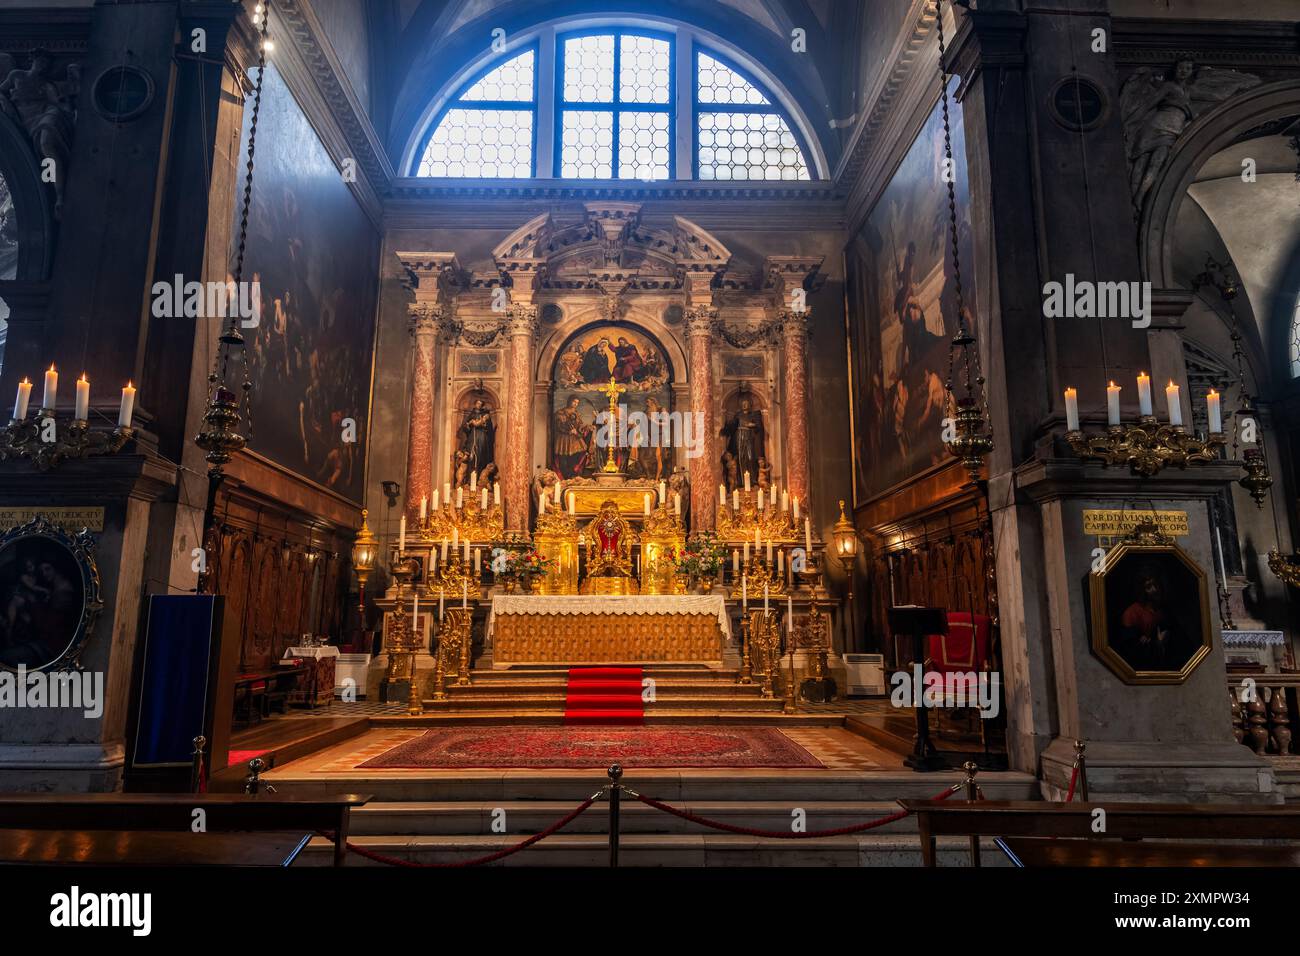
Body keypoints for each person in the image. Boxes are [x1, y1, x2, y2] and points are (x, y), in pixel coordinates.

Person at [720, 397, 765, 491]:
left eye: (747, 403)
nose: (745, 405)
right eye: (743, 403)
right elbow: (733, 426)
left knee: (750, 458)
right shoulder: (738, 415)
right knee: (740, 459)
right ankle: (740, 482)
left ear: (750, 405)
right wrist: (726, 428)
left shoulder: (753, 415)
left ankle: (752, 481)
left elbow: (758, 426)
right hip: (739, 438)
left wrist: (752, 425)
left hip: (749, 438)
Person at [552, 397, 591, 478]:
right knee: (564, 458)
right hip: (564, 439)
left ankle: (573, 472)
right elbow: (558, 425)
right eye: (574, 402)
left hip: (574, 438)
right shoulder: (561, 412)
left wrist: (585, 428)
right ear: (569, 401)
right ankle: (566, 475)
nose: (575, 404)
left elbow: (579, 425)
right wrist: (568, 430)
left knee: (577, 455)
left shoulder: (576, 413)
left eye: (577, 403)